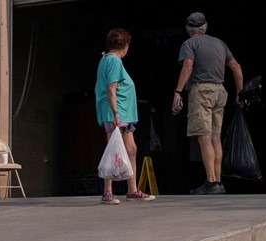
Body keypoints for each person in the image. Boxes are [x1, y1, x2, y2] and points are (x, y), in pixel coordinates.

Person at [170, 12, 244, 195]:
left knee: (204, 137)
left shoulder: (190, 43)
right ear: (205, 27)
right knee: (215, 137)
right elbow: (236, 67)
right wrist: (240, 93)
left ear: (188, 28)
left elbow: (188, 65)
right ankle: (218, 181)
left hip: (202, 91)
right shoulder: (220, 43)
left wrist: (177, 91)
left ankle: (210, 182)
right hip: (220, 91)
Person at [95, 27, 155, 205]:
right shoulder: (113, 61)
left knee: (131, 150)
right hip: (118, 113)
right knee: (114, 151)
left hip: (122, 114)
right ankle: (108, 192)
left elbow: (98, 87)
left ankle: (132, 190)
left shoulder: (105, 59)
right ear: (126, 45)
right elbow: (111, 89)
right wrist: (115, 113)